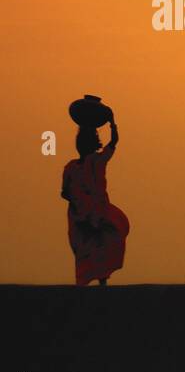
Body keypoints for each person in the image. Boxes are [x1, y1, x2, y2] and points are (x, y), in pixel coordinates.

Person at [61, 104, 130, 286]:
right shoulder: (89, 163)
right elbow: (114, 143)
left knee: (95, 247)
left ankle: (95, 283)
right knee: (95, 247)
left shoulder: (82, 164)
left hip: (90, 216)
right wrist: (112, 123)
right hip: (86, 217)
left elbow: (64, 193)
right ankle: (98, 283)